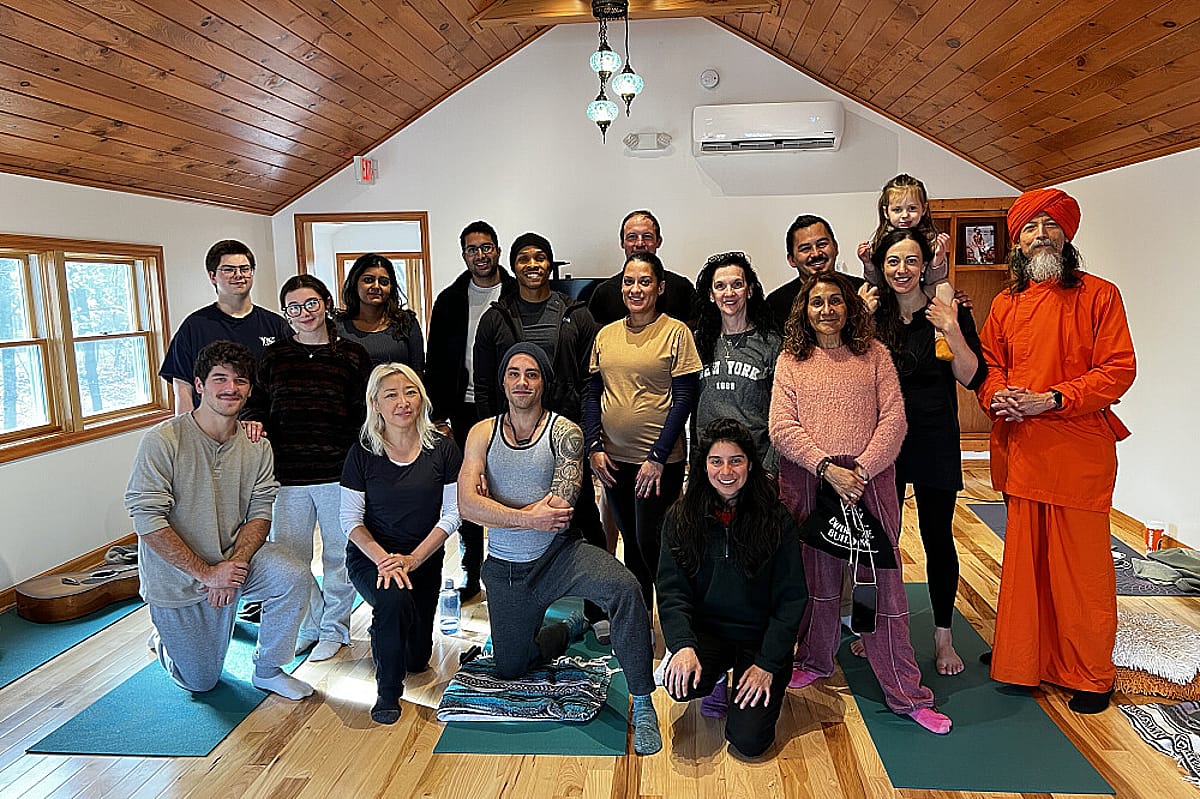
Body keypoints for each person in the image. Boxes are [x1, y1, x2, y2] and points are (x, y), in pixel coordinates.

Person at [769, 271, 951, 735]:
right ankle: (814, 657)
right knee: (816, 579)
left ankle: (905, 692)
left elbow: (893, 419)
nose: (826, 309)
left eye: (835, 301)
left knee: (880, 588)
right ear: (804, 312)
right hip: (812, 480)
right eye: (816, 303)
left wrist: (862, 472)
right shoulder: (792, 360)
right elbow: (781, 426)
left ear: (850, 306)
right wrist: (827, 468)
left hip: (870, 482)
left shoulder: (875, 355)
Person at [458, 343, 662, 755]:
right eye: (513, 373)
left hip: (562, 556)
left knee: (624, 587)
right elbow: (466, 505)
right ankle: (567, 629)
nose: (521, 382)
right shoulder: (482, 432)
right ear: (503, 381)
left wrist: (495, 507)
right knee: (511, 667)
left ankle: (642, 701)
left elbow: (558, 510)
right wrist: (523, 516)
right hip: (507, 569)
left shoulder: (564, 432)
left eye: (531, 374)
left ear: (543, 383)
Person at [976, 188, 1136, 714]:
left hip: (1078, 454)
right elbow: (988, 364)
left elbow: (1118, 370)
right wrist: (998, 395)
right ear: (1018, 243)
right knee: (1026, 567)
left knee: (1081, 573)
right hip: (1023, 447)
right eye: (1030, 228)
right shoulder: (1005, 303)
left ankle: (1091, 675)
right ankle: (1025, 662)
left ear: (1066, 235)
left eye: (1049, 225)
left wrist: (1053, 399)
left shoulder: (1100, 295)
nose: (1040, 235)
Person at [125, 341, 313, 700]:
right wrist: (207, 574)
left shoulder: (257, 446)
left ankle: (270, 668)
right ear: (199, 385)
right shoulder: (163, 440)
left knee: (292, 574)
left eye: (240, 381)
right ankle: (165, 640)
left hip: (230, 561)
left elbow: (260, 509)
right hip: (176, 580)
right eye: (220, 379)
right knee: (201, 681)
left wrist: (234, 566)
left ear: (250, 389)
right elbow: (147, 518)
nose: (231, 388)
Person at [471, 233, 608, 633]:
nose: (533, 264)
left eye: (540, 257)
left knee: (579, 514)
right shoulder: (495, 317)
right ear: (513, 266)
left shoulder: (575, 313)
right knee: (510, 517)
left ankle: (597, 608)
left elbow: (590, 382)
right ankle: (519, 601)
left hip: (564, 436)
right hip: (509, 439)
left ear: (550, 264)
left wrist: (587, 434)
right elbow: (484, 385)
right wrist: (487, 443)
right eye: (524, 258)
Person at [871, 229, 986, 675]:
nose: (902, 270)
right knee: (882, 538)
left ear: (925, 265)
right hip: (884, 439)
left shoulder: (946, 311)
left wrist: (952, 328)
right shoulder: (873, 316)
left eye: (911, 261)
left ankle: (943, 636)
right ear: (882, 266)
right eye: (893, 261)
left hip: (936, 433)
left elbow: (972, 376)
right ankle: (879, 628)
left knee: (937, 537)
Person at [658, 419, 807, 757]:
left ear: (750, 465)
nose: (726, 470)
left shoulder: (776, 519)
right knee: (679, 686)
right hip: (709, 633)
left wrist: (768, 663)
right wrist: (681, 645)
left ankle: (765, 682)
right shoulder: (681, 518)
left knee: (749, 741)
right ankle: (716, 681)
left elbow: (792, 598)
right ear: (703, 466)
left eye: (735, 460)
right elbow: (671, 590)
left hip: (760, 638)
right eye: (716, 461)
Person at [245, 275, 372, 663]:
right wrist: (252, 420)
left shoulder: (352, 355)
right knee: (292, 559)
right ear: (286, 314)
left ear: (327, 303)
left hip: (338, 472)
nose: (304, 314)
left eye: (311, 304)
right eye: (294, 308)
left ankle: (336, 629)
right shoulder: (274, 357)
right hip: (288, 476)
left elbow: (364, 413)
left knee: (339, 555)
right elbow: (257, 403)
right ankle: (308, 625)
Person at [341, 363, 462, 724]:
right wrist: (386, 561)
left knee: (417, 660)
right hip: (371, 556)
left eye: (410, 392)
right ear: (375, 403)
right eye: (390, 394)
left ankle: (393, 633)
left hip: (421, 558)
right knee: (391, 599)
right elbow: (350, 521)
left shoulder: (442, 449)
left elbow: (453, 514)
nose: (402, 402)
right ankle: (387, 691)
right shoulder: (362, 452)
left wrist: (412, 559)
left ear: (421, 397)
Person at [585, 251, 702, 611]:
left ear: (660, 287)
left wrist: (657, 457)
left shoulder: (675, 332)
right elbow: (592, 392)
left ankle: (677, 622)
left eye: (645, 281)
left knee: (652, 544)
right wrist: (593, 446)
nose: (636, 289)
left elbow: (684, 398)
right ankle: (641, 624)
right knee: (631, 546)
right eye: (629, 281)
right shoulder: (606, 335)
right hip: (612, 460)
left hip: (658, 463)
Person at [425, 221, 517, 601]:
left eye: (487, 247)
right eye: (472, 249)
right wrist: (438, 416)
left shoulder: (515, 293)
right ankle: (471, 568)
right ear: (464, 254)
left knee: (508, 487)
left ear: (497, 249)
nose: (481, 254)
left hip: (507, 407)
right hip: (461, 410)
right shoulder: (449, 299)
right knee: (467, 489)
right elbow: (435, 358)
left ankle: (512, 566)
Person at [159, 240, 289, 414]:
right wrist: (188, 435)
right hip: (212, 431)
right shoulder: (194, 326)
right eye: (228, 269)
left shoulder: (275, 324)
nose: (238, 275)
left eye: (245, 269)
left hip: (264, 428)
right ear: (212, 276)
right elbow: (183, 387)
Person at [693, 251, 782, 475]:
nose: (729, 293)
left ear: (749, 290)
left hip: (756, 466)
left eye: (737, 285)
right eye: (720, 286)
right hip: (709, 467)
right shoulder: (698, 343)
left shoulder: (771, 344)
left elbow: (784, 412)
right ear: (711, 295)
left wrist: (770, 469)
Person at [856, 174, 957, 361]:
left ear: (924, 209)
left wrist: (938, 258)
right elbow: (876, 281)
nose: (905, 215)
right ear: (886, 212)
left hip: (925, 293)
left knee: (945, 287)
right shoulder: (881, 241)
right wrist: (868, 263)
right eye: (897, 209)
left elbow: (936, 278)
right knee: (867, 292)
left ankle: (940, 337)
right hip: (892, 300)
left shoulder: (930, 238)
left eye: (912, 208)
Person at [587, 210, 697, 325]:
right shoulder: (604, 293)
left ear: (658, 241)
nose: (640, 243)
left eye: (647, 236)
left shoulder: (682, 288)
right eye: (632, 237)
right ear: (622, 243)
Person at [765, 215, 876, 326]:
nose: (816, 253)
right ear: (791, 260)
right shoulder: (775, 304)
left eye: (822, 244)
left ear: (836, 247)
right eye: (805, 248)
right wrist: (861, 315)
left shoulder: (861, 290)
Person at [336, 252, 425, 370]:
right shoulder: (338, 327)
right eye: (368, 280)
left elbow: (417, 373)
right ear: (355, 283)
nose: (376, 286)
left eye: (383, 282)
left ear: (391, 287)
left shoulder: (406, 323)